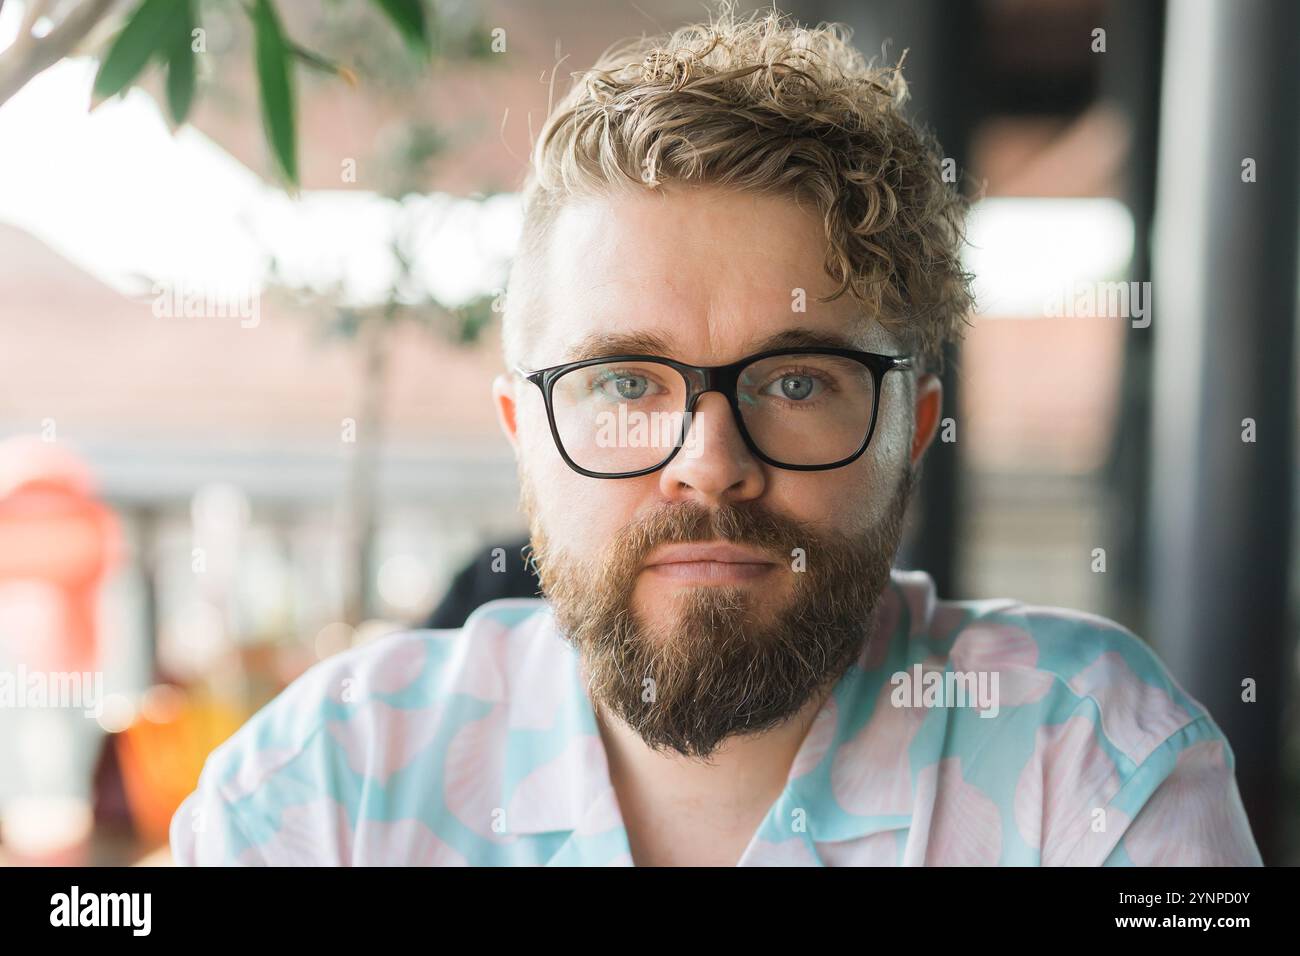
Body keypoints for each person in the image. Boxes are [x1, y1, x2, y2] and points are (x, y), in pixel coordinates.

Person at [171, 6, 1260, 866]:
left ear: (911, 427)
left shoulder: (1089, 767)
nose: (709, 459)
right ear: (524, 432)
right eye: (624, 380)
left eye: (794, 378)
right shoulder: (324, 787)